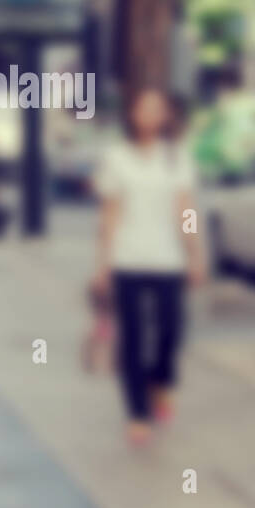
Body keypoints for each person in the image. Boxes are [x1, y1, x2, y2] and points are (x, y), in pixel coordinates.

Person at [94, 87, 206, 447]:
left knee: (172, 331)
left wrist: (195, 252)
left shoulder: (177, 158)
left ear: (166, 117)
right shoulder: (116, 157)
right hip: (128, 257)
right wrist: (104, 263)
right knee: (132, 338)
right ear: (132, 114)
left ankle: (161, 381)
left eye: (157, 109)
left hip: (168, 259)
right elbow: (110, 214)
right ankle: (137, 413)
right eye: (144, 108)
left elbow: (185, 209)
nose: (150, 114)